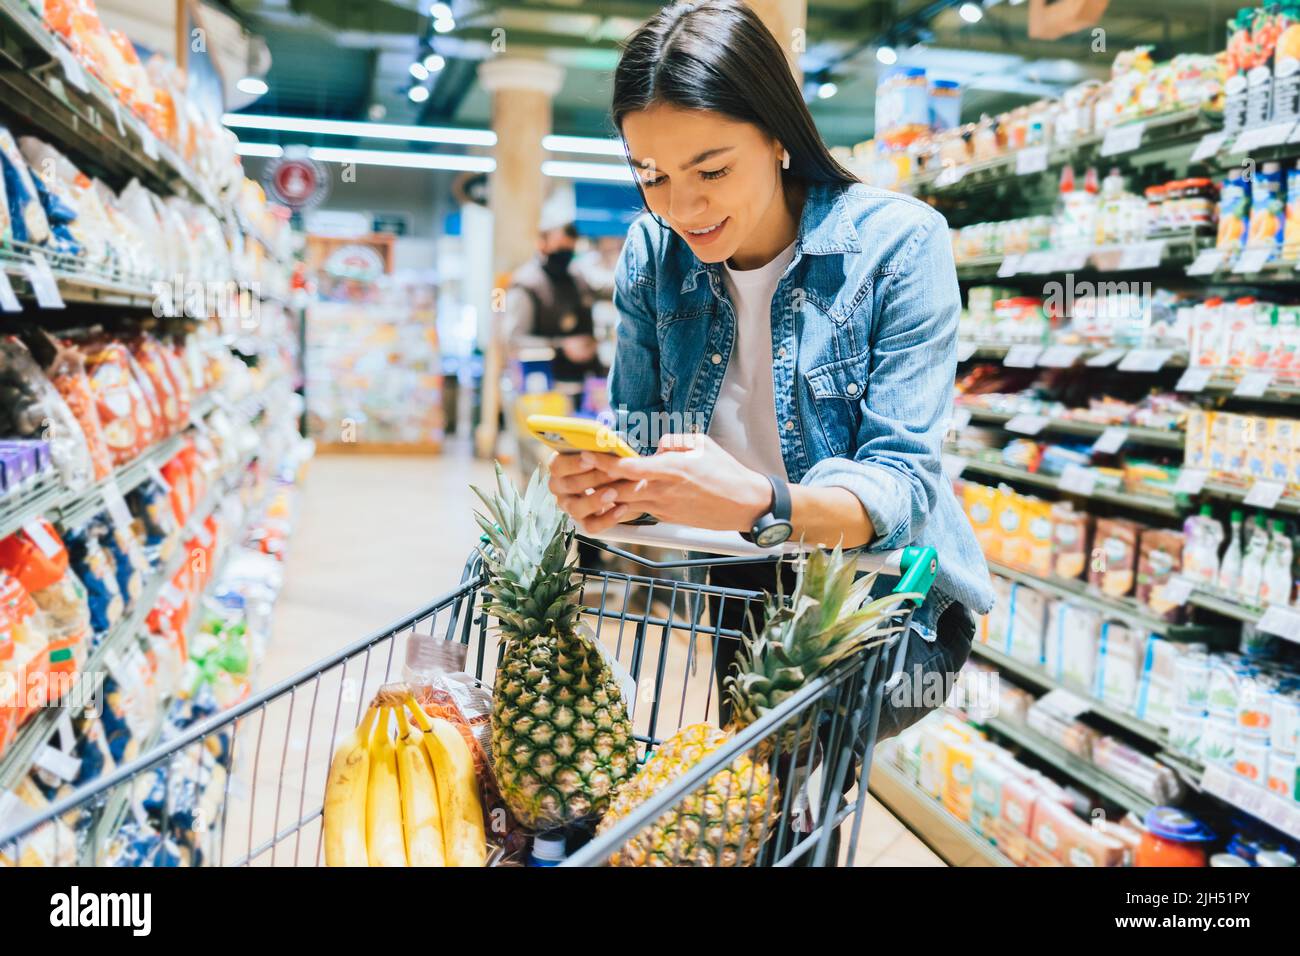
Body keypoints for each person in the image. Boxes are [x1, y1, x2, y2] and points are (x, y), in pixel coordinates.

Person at [547, 0, 995, 857]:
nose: (682, 205)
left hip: (877, 597)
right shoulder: (652, 253)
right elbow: (639, 437)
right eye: (651, 173)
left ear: (779, 136)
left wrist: (760, 499)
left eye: (710, 169)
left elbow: (900, 484)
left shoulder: (900, 246)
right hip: (738, 585)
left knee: (790, 803)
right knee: (752, 812)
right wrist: (608, 489)